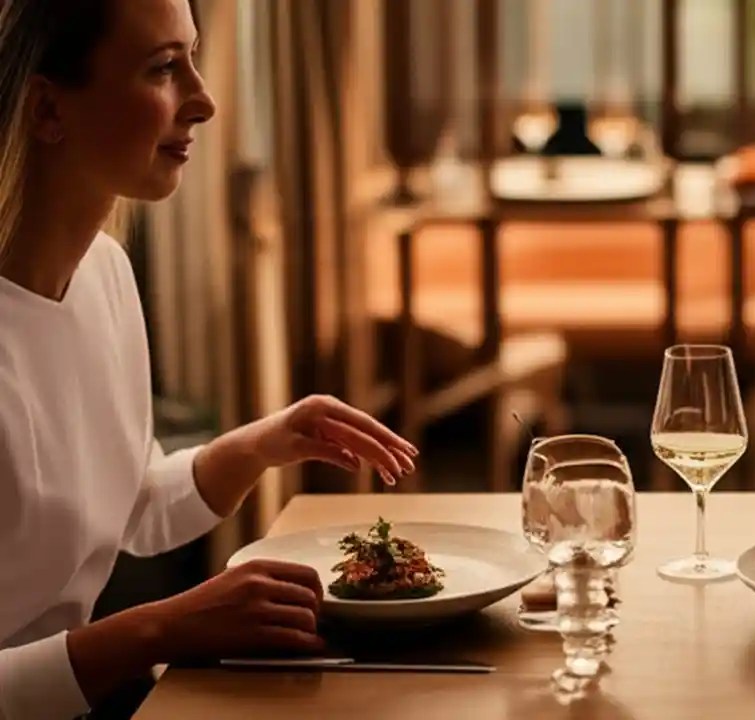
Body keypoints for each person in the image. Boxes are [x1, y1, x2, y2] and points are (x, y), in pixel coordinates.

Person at [0, 1, 419, 717]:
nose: (205, 100)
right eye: (164, 68)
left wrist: (260, 443)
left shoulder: (103, 273)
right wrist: (161, 627)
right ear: (46, 111)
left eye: (193, 58)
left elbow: (128, 507)